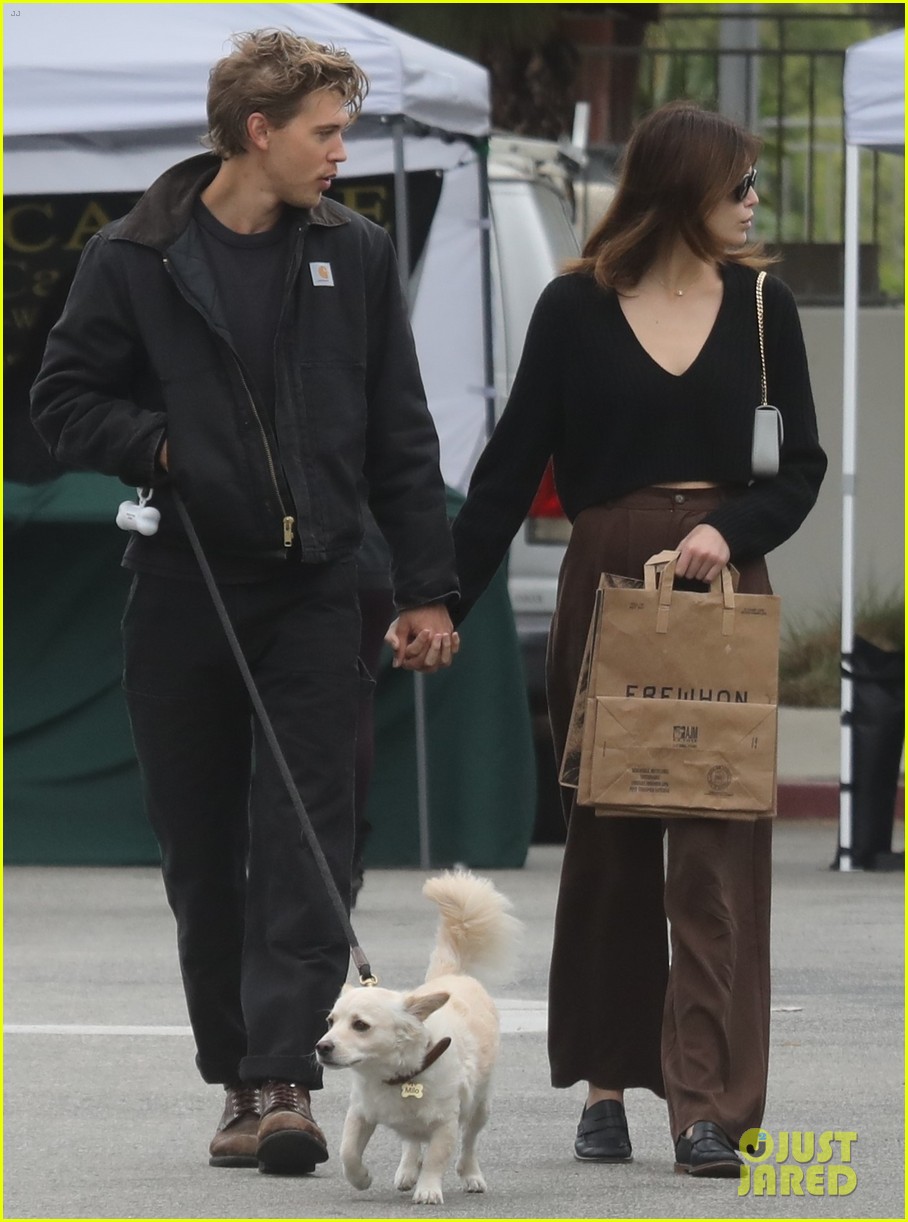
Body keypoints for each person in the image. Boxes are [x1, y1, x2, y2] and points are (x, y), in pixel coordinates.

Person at [31, 29, 458, 1176]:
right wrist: (159, 443)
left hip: (328, 586)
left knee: (309, 837)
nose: (342, 150)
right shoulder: (133, 256)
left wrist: (424, 585)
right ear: (258, 132)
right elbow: (60, 404)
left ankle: (284, 1077)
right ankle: (236, 1073)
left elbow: (398, 430)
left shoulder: (354, 251)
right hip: (185, 587)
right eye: (325, 130)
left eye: (346, 127)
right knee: (203, 846)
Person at [447, 101, 827, 1176]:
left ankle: (706, 1104)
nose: (752, 204)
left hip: (718, 589)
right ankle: (604, 1087)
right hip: (605, 580)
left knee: (715, 849)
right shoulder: (573, 306)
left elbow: (799, 467)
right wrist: (438, 597)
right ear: (680, 189)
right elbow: (512, 460)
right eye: (737, 185)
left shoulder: (761, 304)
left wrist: (725, 527)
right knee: (608, 845)